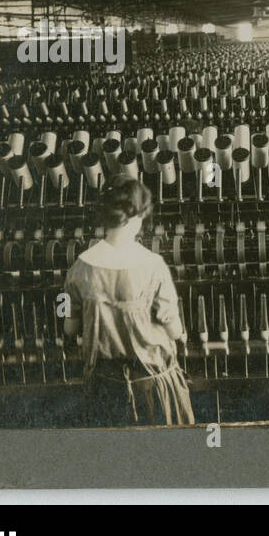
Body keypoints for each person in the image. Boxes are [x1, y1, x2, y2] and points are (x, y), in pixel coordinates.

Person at [63, 174, 195, 426]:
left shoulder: (77, 268)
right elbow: (175, 330)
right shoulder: (154, 265)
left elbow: (69, 326)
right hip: (154, 390)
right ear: (138, 217)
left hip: (104, 389)